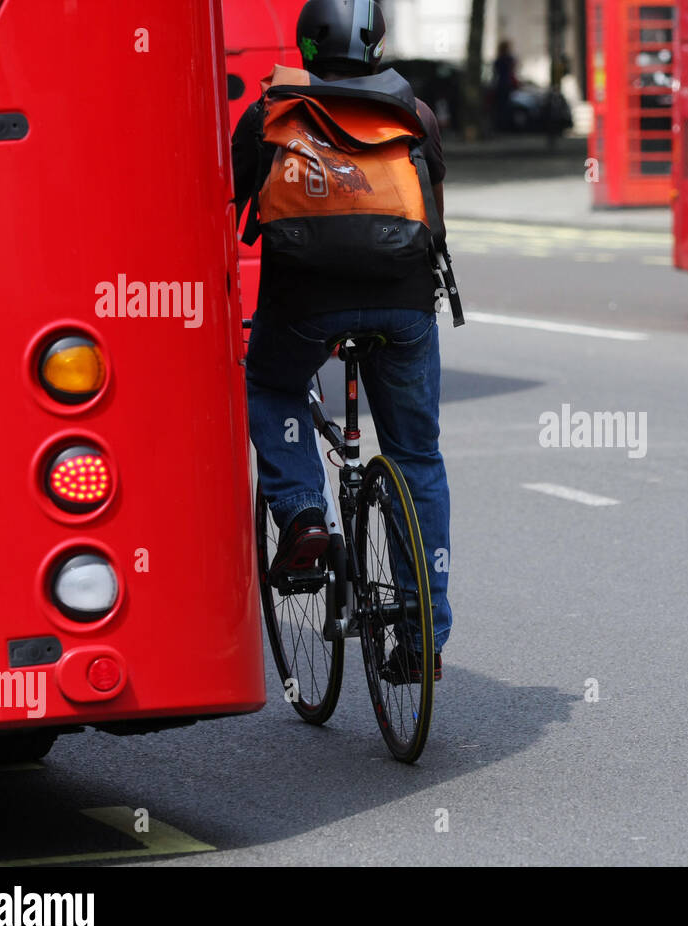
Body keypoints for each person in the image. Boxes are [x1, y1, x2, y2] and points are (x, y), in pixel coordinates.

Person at [231, 0, 451, 682]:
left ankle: (301, 514)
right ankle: (423, 636)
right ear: (376, 43)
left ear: (305, 43)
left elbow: (230, 202)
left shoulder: (268, 113)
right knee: (416, 455)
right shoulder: (415, 114)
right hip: (405, 305)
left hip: (305, 303)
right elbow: (435, 214)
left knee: (270, 383)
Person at [492, 40, 517, 132]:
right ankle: (505, 126)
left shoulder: (499, 59)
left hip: (501, 85)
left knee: (500, 107)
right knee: (505, 106)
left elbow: (495, 72)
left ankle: (501, 126)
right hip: (506, 85)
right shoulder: (508, 59)